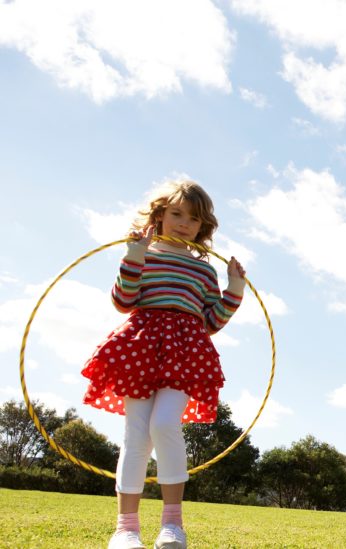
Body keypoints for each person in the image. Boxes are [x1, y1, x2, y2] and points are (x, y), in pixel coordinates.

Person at [82, 180, 246, 549]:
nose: (184, 223)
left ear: (202, 228)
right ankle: (126, 529)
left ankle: (172, 525)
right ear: (159, 215)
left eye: (194, 219)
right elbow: (123, 300)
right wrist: (135, 256)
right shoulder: (144, 253)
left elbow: (211, 322)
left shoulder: (204, 270)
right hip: (140, 346)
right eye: (176, 214)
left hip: (185, 349)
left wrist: (234, 287)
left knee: (165, 423)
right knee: (136, 434)